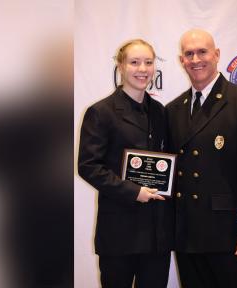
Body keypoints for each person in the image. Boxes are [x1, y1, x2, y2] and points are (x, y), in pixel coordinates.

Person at [166, 29, 237, 288]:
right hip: (187, 233)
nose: (196, 59)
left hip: (229, 236)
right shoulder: (173, 110)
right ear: (181, 60)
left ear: (217, 54)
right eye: (189, 53)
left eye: (202, 51)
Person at [78, 39, 174, 288]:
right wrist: (134, 192)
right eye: (134, 62)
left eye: (148, 62)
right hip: (119, 232)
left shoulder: (160, 112)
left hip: (156, 234)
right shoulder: (101, 112)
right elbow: (88, 166)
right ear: (121, 66)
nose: (142, 69)